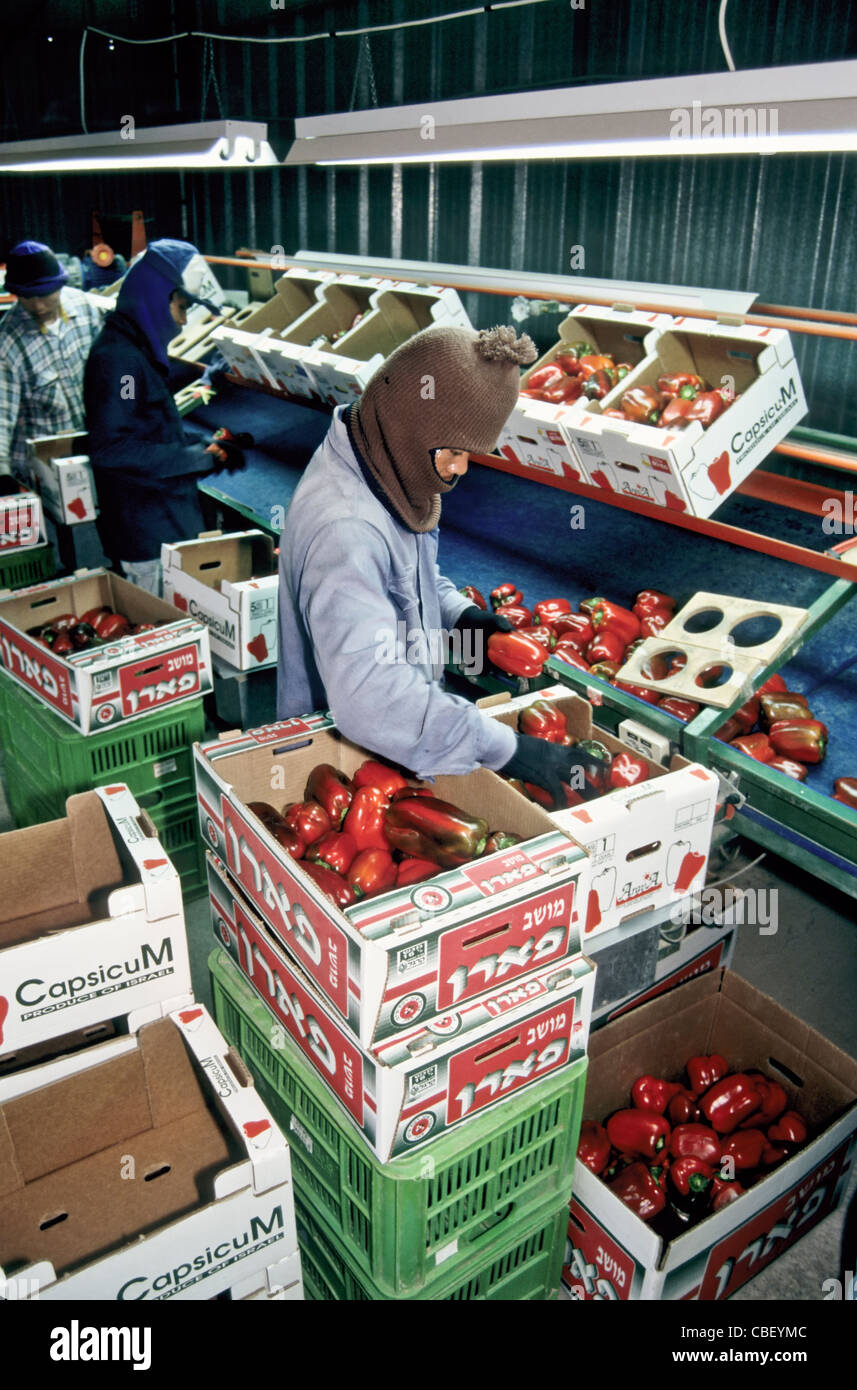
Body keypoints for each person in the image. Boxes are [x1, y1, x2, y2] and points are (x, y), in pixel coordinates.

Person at [276, 323, 597, 804]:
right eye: (454, 451)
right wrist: (510, 750)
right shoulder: (346, 529)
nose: (461, 468)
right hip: (340, 761)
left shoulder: (383, 463)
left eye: (471, 454)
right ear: (412, 422)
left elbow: (404, 576)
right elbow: (370, 696)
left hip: (394, 742)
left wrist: (460, 617)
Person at [84, 238, 245, 595]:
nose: (185, 321)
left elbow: (143, 426)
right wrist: (192, 459)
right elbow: (114, 448)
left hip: (162, 524)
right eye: (182, 307)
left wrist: (204, 447)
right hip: (147, 535)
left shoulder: (132, 353)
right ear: (156, 300)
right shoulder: (122, 365)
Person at [0, 240, 105, 478]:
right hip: (43, 470)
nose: (38, 306)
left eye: (45, 295)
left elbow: (121, 372)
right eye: (27, 297)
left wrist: (126, 400)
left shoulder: (86, 308)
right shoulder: (7, 344)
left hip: (94, 451)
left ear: (60, 285)